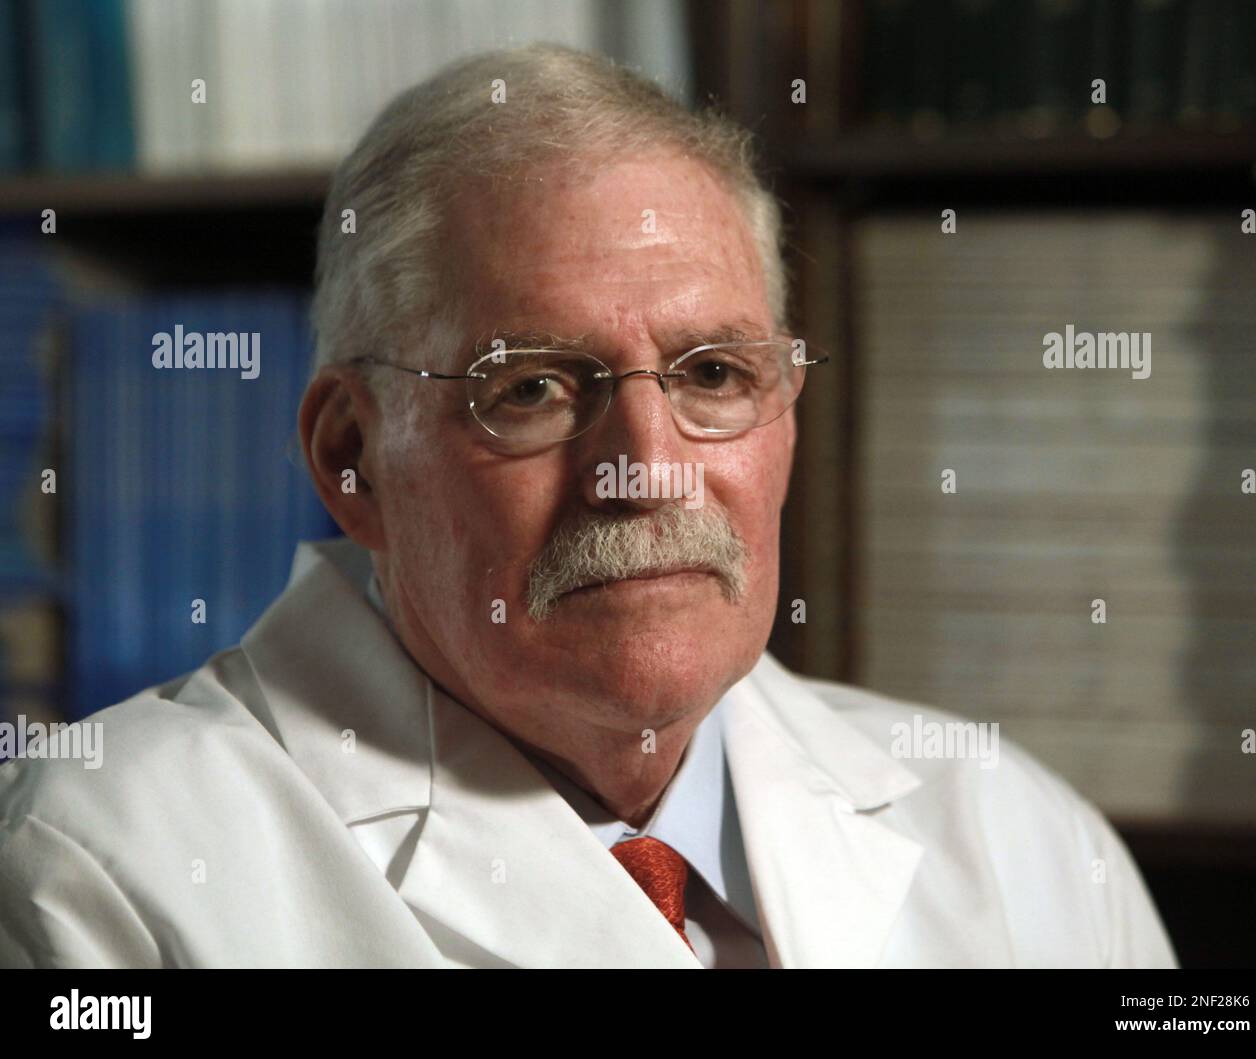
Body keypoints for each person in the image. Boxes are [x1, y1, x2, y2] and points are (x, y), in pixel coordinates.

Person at [0, 44, 1177, 968]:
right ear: (353, 457)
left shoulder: (1022, 839)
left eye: (714, 374)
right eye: (536, 388)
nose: (647, 468)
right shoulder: (98, 871)